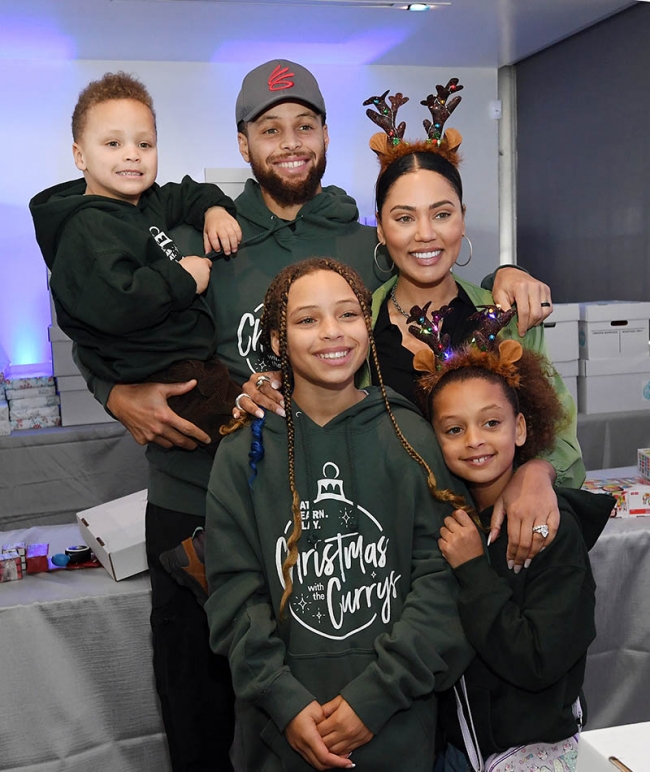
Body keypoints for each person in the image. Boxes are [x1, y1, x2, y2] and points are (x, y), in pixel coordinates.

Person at [76, 61, 554, 770]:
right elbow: (103, 304)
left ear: (328, 135)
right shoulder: (204, 232)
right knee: (206, 709)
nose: (290, 142)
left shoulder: (362, 241)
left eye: (305, 126)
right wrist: (112, 390)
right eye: (270, 129)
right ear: (243, 143)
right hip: (199, 494)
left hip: (347, 496)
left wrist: (505, 276)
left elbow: (433, 267)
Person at [240, 77, 585, 572]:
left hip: (503, 553)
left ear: (462, 219)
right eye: (404, 218)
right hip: (389, 561)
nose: (425, 234)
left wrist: (537, 472)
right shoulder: (357, 332)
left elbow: (563, 441)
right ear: (380, 227)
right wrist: (272, 385)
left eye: (441, 214)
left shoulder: (509, 318)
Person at [204, 257, 473, 772]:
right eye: (307, 319)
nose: (332, 332)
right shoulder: (243, 453)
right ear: (277, 341)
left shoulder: (410, 437)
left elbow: (441, 579)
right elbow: (234, 594)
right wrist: (284, 700)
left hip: (397, 727)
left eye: (348, 314)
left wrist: (376, 696)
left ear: (367, 326)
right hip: (281, 737)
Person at [411, 335, 612, 770]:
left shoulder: (552, 531)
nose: (474, 440)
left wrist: (473, 569)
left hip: (528, 752)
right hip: (457, 749)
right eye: (454, 429)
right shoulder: (450, 523)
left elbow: (538, 660)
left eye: (491, 423)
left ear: (519, 428)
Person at [29, 71, 243, 453]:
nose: (132, 154)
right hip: (157, 370)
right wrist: (183, 277)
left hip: (186, 357)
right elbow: (118, 302)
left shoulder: (148, 202)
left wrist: (214, 209)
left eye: (144, 143)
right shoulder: (86, 228)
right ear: (80, 156)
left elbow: (189, 193)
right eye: (113, 143)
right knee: (248, 438)